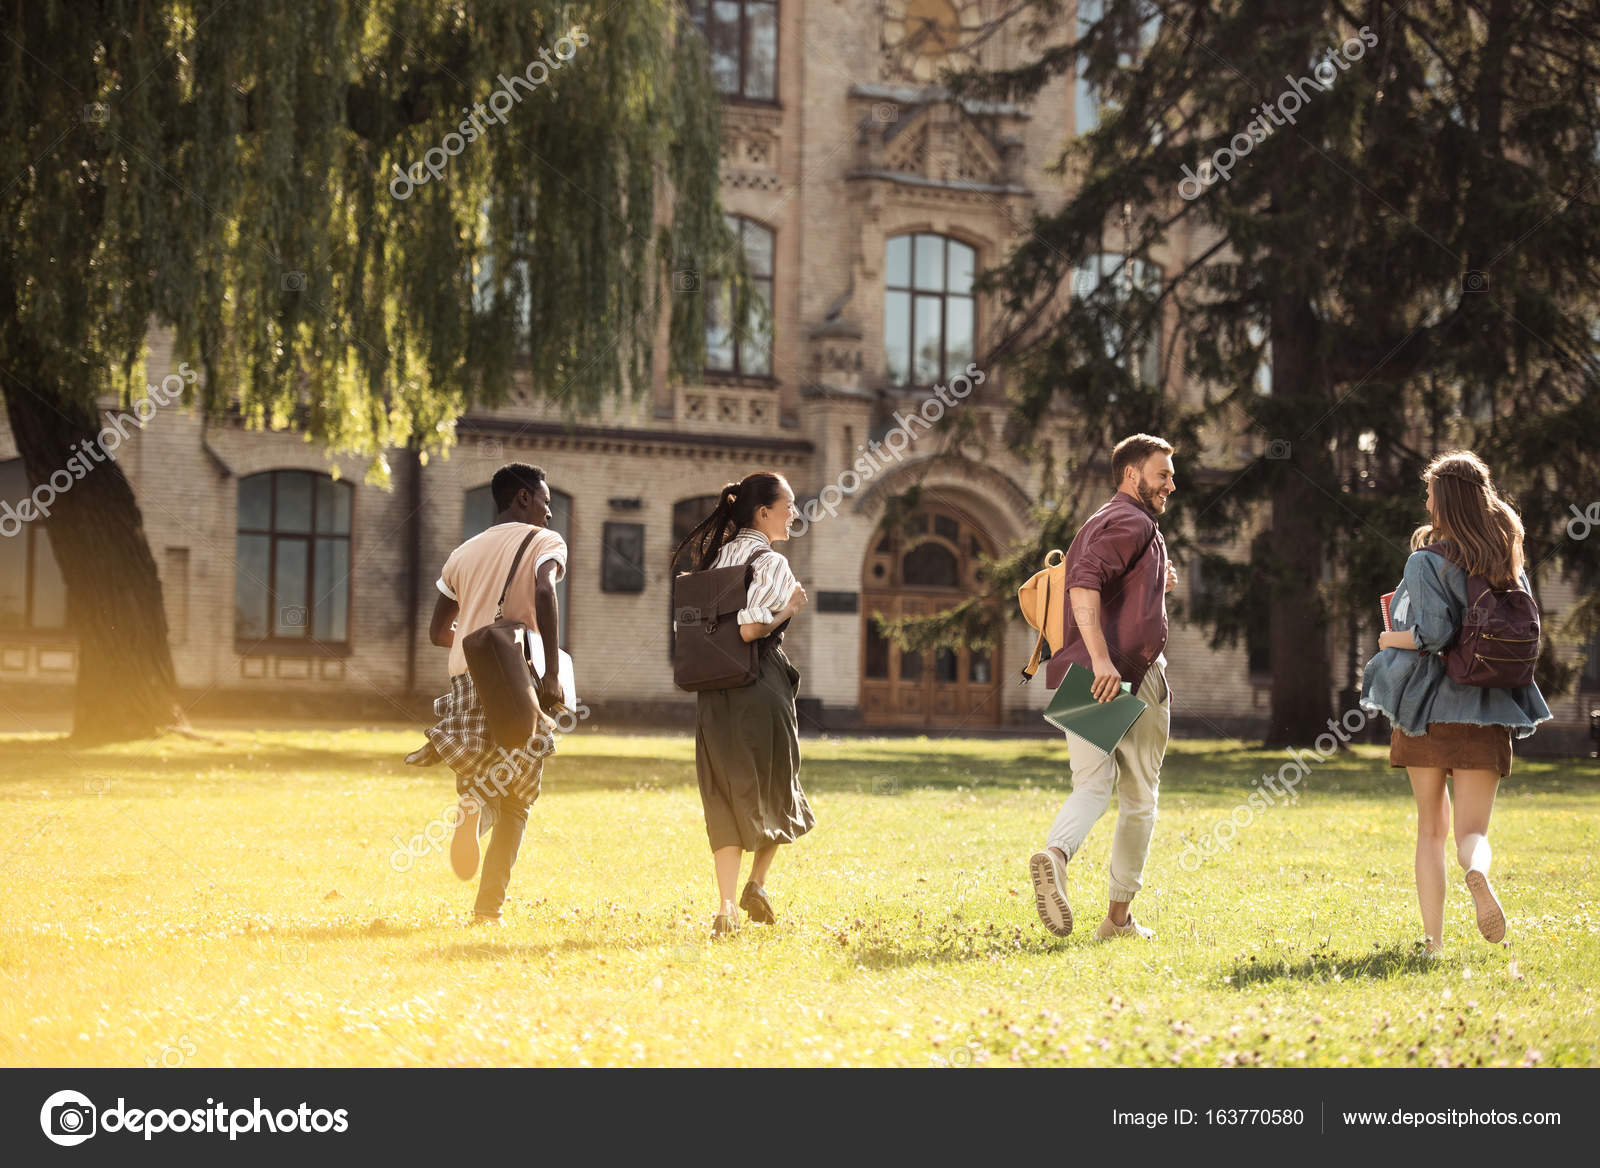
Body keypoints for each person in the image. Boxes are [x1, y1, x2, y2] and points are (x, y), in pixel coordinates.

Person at [1361, 451, 1551, 955]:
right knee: (1471, 833)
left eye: (1429, 494)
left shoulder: (1425, 561)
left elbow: (1433, 634)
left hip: (1427, 713)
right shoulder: (1506, 559)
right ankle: (1476, 872)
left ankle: (1433, 943)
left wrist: (1388, 640)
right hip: (1487, 713)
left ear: (1444, 502)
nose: (1425, 502)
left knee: (1430, 829)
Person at [1028, 434, 1178, 942]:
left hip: (1085, 675)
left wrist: (1158, 581)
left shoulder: (1108, 519)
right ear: (1132, 474)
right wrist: (1102, 661)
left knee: (1091, 786)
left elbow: (1106, 582)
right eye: (1162, 474)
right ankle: (1118, 920)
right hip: (1127, 676)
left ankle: (1055, 855)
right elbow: (1083, 585)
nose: (1170, 484)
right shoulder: (1132, 521)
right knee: (1140, 796)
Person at [406, 463, 567, 925]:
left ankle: (472, 812)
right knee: (517, 800)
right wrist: (553, 672)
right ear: (522, 499)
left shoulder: (462, 553)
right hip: (519, 681)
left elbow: (438, 630)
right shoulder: (544, 543)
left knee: (482, 782)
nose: (549, 514)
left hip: (464, 679)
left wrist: (472, 638)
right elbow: (543, 590)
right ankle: (486, 911)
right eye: (545, 502)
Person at [671, 471, 814, 937]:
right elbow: (751, 631)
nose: (794, 513)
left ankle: (728, 909)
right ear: (763, 512)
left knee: (723, 793)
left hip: (714, 690)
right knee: (775, 782)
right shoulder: (770, 562)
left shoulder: (713, 560)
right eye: (788, 505)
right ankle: (758, 883)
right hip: (759, 682)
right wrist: (790, 608)